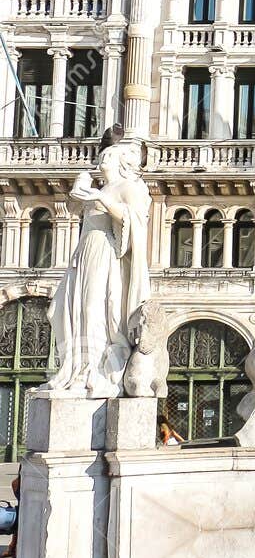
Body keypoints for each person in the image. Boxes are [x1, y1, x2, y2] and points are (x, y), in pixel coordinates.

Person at [47, 136, 151, 398]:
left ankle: (94, 370)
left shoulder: (129, 186)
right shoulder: (100, 187)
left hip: (106, 252)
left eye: (109, 155)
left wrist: (101, 199)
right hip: (83, 251)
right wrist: (81, 192)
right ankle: (73, 368)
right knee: (60, 310)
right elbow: (71, 212)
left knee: (94, 309)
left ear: (121, 162)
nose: (103, 157)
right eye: (103, 154)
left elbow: (135, 220)